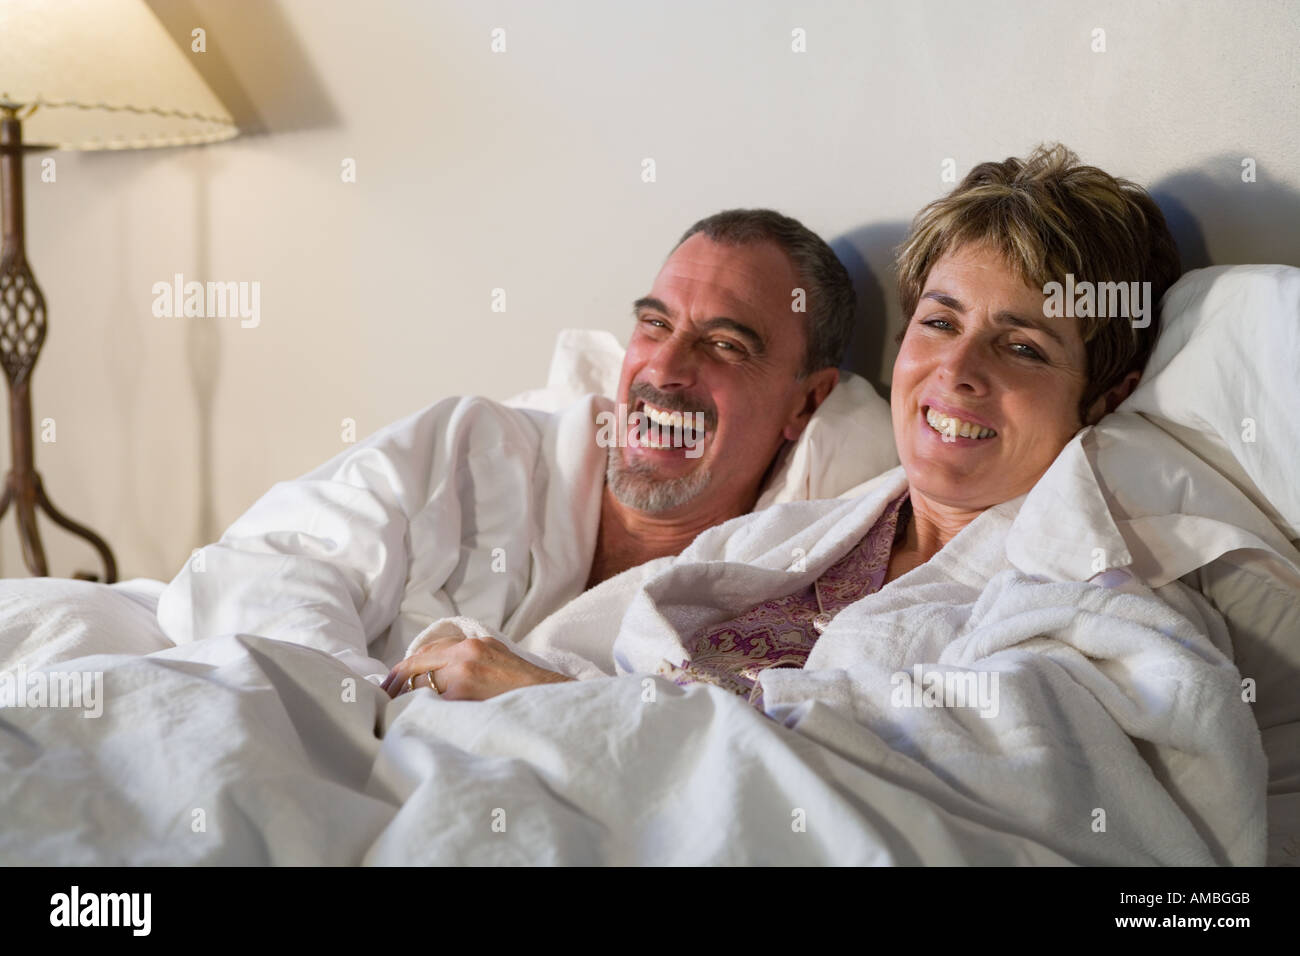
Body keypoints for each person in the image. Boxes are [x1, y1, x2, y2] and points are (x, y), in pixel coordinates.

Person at [385, 142, 1184, 704]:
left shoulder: (1084, 610)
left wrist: (552, 700)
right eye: (939, 323)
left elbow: (911, 790)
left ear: (1107, 396)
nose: (957, 371)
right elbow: (565, 654)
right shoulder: (780, 541)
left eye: (1020, 346)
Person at [158, 209, 896, 679]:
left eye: (726, 345)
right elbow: (268, 567)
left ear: (806, 402)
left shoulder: (785, 588)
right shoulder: (471, 448)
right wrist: (361, 721)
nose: (665, 370)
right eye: (654, 325)